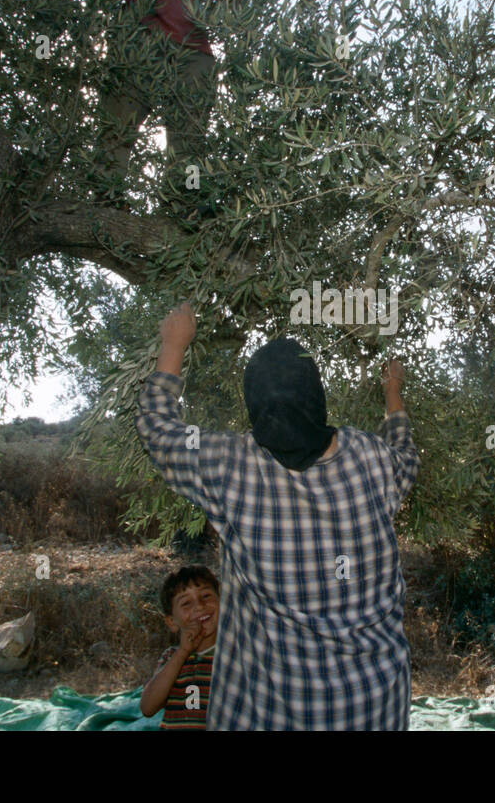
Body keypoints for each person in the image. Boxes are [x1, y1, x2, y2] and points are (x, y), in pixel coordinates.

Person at [135, 303, 419, 730]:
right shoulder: (370, 458)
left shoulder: (230, 465)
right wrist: (392, 392)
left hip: (275, 712)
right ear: (317, 396)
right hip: (374, 704)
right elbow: (406, 458)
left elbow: (157, 428)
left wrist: (174, 344)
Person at [91, 0, 239, 212]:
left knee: (190, 143)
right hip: (139, 43)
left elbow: (238, 7)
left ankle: (183, 208)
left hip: (194, 56)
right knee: (117, 127)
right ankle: (106, 200)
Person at [140, 565, 220, 729]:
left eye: (206, 596)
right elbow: (148, 708)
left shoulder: (234, 653)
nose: (199, 606)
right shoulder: (171, 657)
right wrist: (182, 653)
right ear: (172, 622)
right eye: (186, 603)